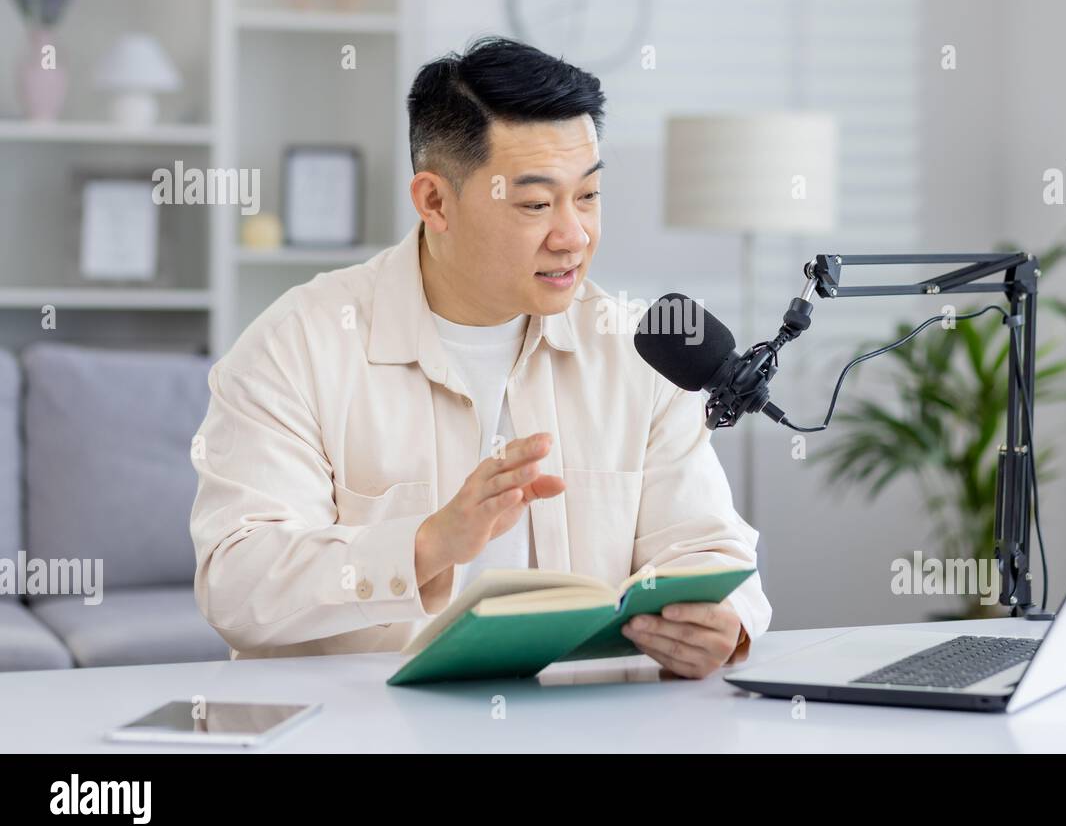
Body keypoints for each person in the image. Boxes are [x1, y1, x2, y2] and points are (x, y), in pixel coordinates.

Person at [189, 35, 772, 678]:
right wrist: (426, 544)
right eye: (535, 204)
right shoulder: (296, 345)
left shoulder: (637, 350)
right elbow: (236, 583)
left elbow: (708, 544)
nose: (573, 236)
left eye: (588, 196)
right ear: (435, 201)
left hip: (592, 726)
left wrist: (725, 621)